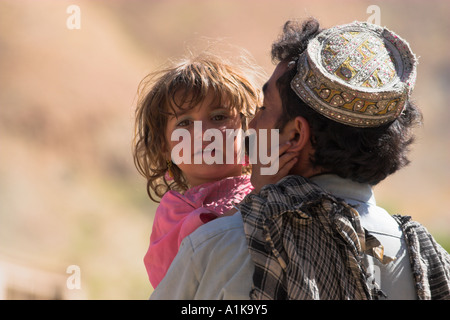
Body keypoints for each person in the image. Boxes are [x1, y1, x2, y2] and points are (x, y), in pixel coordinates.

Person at [149, 19, 450, 300]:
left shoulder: (219, 246)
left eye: (263, 109)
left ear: (295, 136)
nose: (251, 128)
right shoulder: (425, 258)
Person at [133, 53, 269, 289]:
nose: (203, 133)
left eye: (219, 117)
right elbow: (172, 284)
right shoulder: (173, 213)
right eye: (184, 123)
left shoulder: (270, 187)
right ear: (165, 147)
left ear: (249, 129)